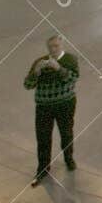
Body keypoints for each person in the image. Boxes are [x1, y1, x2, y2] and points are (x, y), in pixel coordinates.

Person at [23, 34, 79, 187]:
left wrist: (59, 68)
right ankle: (43, 168)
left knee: (66, 133)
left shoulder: (70, 60)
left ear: (62, 46)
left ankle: (69, 159)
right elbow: (27, 85)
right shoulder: (39, 62)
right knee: (42, 137)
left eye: (56, 46)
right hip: (43, 107)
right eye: (50, 47)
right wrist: (36, 72)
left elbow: (73, 79)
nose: (53, 49)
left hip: (65, 104)